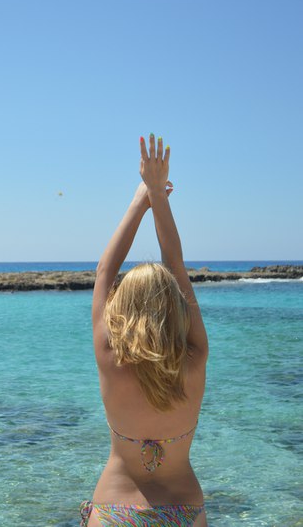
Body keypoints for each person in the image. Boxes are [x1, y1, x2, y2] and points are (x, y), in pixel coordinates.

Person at [81, 135, 209, 526]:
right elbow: (176, 264)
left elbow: (104, 271)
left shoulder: (109, 356)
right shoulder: (194, 357)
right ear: (175, 306)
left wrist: (141, 199)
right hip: (183, 509)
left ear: (122, 307)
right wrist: (158, 195)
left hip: (115, 508)